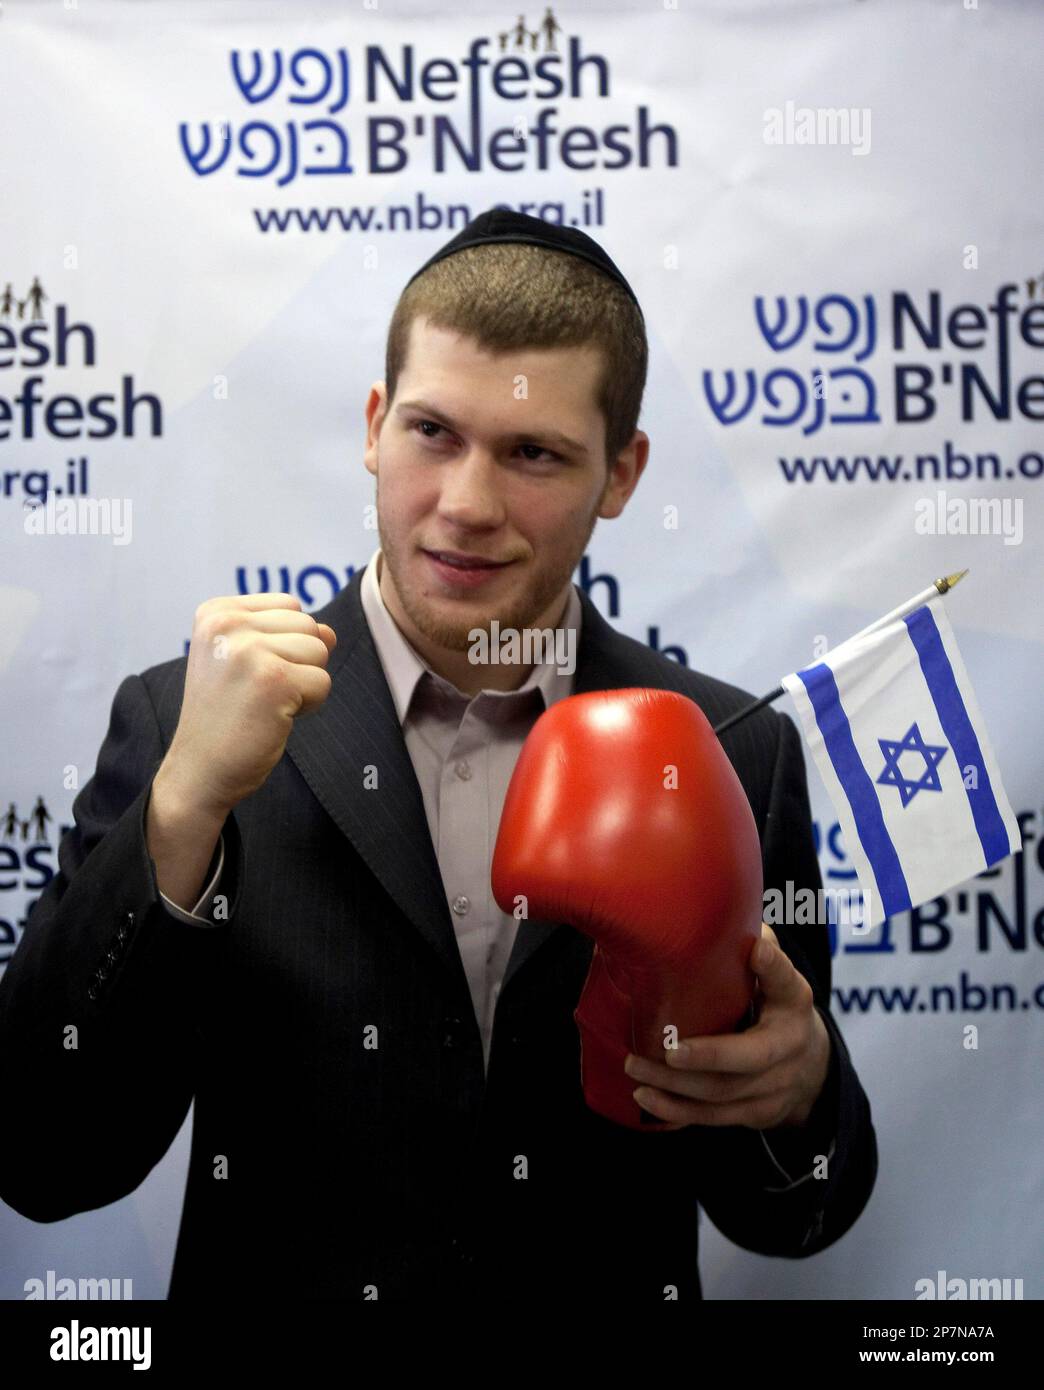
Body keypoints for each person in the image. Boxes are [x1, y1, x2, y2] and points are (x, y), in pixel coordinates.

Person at [0, 209, 877, 1301]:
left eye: (533, 454)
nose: (466, 506)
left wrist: (802, 1094)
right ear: (374, 424)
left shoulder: (737, 750)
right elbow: (40, 1156)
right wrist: (179, 816)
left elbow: (800, 1216)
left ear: (621, 472)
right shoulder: (182, 721)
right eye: (432, 433)